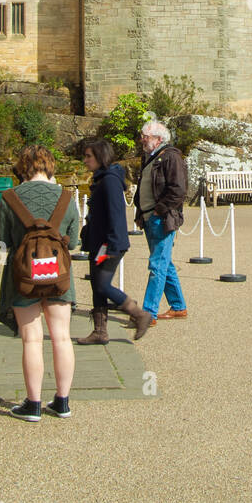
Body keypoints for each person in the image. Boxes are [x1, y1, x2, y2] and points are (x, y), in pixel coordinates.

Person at [0, 145, 81, 420]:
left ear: (24, 167)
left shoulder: (9, 198)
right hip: (58, 275)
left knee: (32, 339)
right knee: (61, 336)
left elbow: (4, 241)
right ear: (50, 166)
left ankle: (33, 404)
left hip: (23, 276)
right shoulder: (67, 197)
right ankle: (62, 401)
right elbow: (75, 241)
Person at [76, 138, 152, 344]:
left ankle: (138, 313)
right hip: (98, 243)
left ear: (100, 157)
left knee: (102, 285)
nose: (85, 160)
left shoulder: (109, 180)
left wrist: (111, 245)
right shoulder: (101, 178)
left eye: (89, 156)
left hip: (109, 245)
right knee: (96, 285)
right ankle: (100, 332)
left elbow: (117, 215)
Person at [134, 120, 188, 321]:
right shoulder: (151, 157)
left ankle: (148, 313)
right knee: (165, 263)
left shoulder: (171, 157)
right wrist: (142, 214)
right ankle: (178, 306)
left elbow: (178, 190)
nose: (142, 139)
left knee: (157, 264)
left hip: (162, 219)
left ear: (158, 139)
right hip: (150, 218)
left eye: (145, 136)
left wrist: (159, 210)